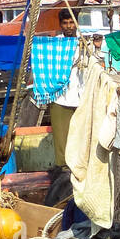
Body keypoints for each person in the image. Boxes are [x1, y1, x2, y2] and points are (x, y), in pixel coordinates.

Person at [48, 12, 84, 170]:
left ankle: (81, 165)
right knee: (61, 137)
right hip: (60, 96)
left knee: (82, 134)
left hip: (81, 96)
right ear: (60, 25)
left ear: (76, 23)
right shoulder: (54, 44)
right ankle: (63, 169)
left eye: (71, 22)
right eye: (65, 23)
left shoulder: (85, 43)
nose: (69, 26)